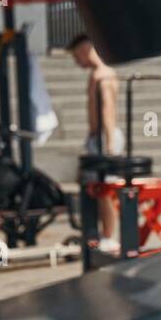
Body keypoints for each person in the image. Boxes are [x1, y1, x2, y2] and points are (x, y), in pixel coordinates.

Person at [67, 33, 123, 253]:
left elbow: (107, 111)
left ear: (85, 50)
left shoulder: (102, 77)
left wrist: (108, 147)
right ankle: (103, 232)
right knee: (96, 189)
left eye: (76, 56)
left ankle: (110, 235)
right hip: (98, 138)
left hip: (103, 137)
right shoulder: (98, 75)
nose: (76, 62)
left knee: (104, 190)